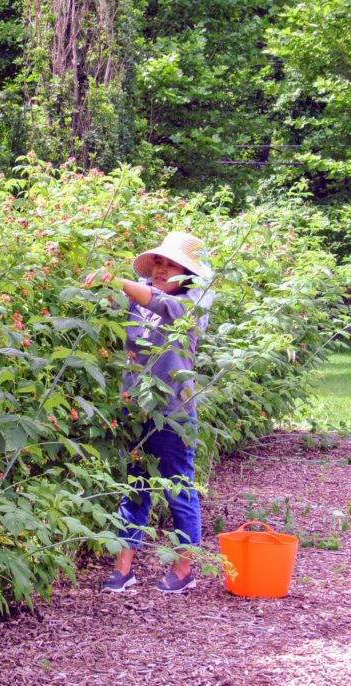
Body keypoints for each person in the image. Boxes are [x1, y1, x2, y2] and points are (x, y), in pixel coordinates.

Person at [98, 231, 213, 594]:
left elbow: (162, 304)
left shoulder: (191, 306)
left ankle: (183, 570)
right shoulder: (137, 299)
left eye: (171, 264)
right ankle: (124, 568)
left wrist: (115, 280)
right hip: (136, 408)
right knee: (135, 485)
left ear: (187, 273)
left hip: (174, 412)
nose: (162, 269)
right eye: (158, 262)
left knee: (179, 487)